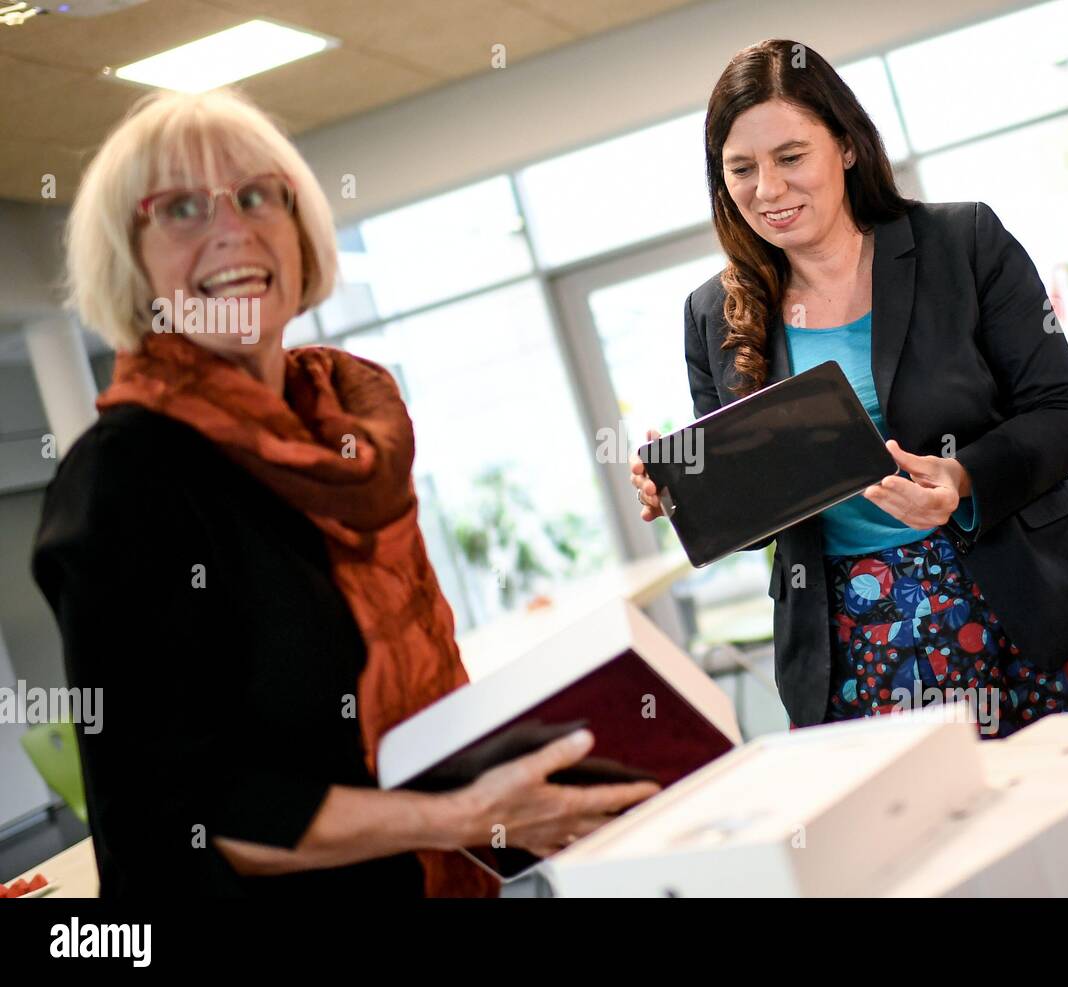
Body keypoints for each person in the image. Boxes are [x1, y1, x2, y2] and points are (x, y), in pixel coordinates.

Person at [33, 88, 658, 897]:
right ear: (130, 259)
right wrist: (464, 817)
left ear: (298, 234)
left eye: (257, 196)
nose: (232, 228)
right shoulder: (126, 476)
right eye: (181, 207)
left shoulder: (341, 434)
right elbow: (165, 818)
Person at [630, 39, 1068, 739]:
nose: (768, 189)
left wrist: (962, 476)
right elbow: (763, 512)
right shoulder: (711, 316)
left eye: (790, 157)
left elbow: (1062, 414)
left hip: (1025, 598)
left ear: (846, 146)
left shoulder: (961, 242)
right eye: (741, 169)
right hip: (862, 644)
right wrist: (694, 489)